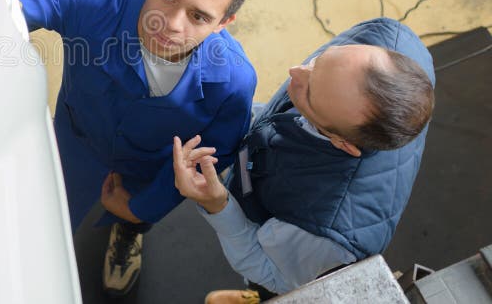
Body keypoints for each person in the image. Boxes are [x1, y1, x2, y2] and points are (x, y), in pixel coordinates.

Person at [11, 0, 257, 296]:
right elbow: (9, 0)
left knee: (134, 215)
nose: (171, 24)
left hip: (152, 167)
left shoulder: (233, 83)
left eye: (199, 17)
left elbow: (207, 159)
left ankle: (128, 231)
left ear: (224, 24)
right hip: (76, 141)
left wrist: (141, 208)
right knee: (42, 222)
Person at [172, 18, 435, 303]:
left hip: (287, 259)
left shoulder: (323, 233)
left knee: (273, 289)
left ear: (341, 142)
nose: (295, 72)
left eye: (309, 95)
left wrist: (217, 205)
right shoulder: (388, 36)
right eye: (319, 61)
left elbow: (271, 271)